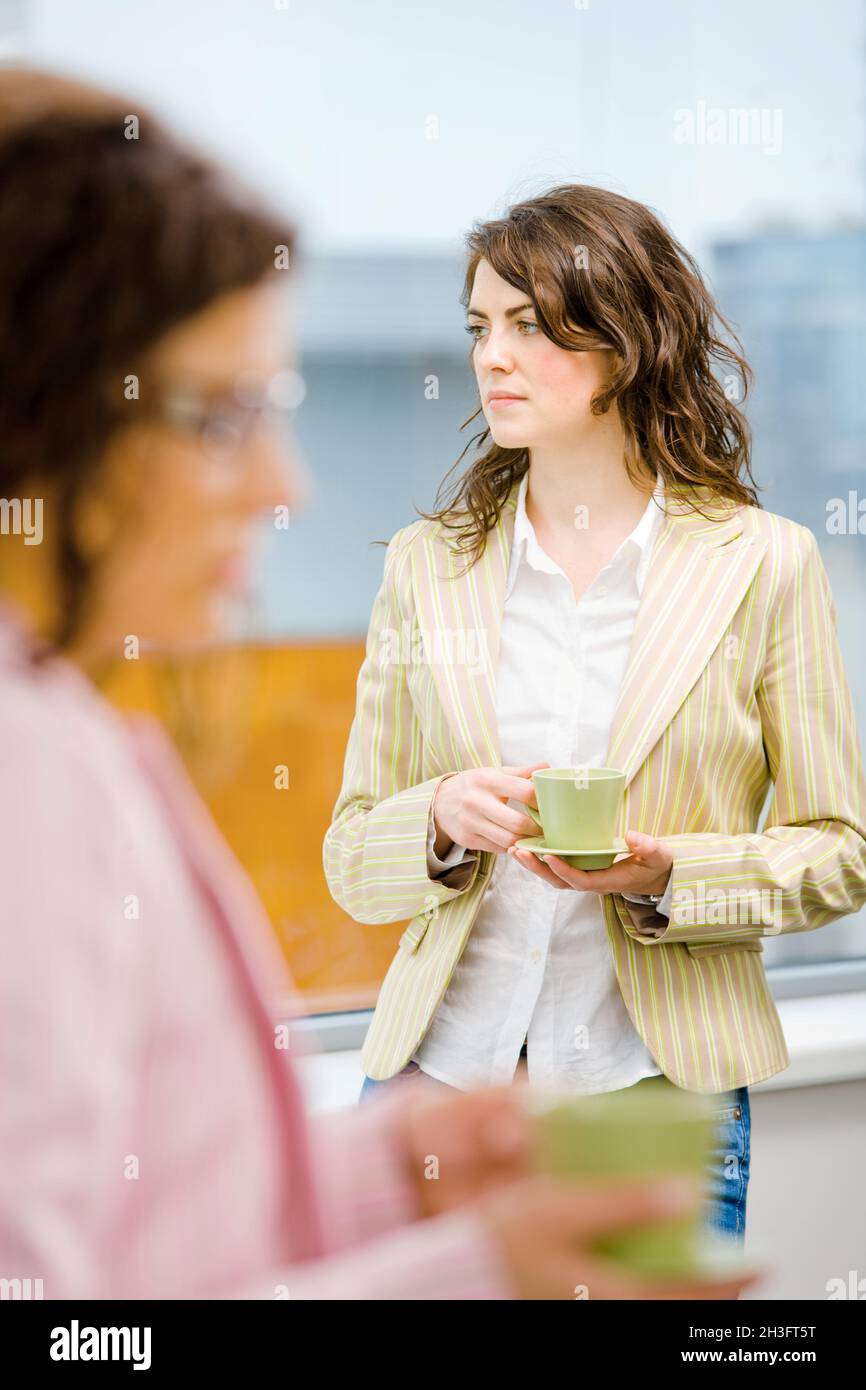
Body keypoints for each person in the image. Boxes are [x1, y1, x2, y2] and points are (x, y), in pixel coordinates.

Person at [0, 67, 757, 1302]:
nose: (286, 483)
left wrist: (382, 1174)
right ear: (37, 422)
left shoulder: (59, 730)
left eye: (531, 325)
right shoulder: (26, 765)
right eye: (223, 415)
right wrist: (470, 1274)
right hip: (441, 1053)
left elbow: (140, 1226)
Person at [324, 183, 866, 1242]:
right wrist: (438, 818)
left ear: (622, 343)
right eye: (480, 327)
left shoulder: (764, 564)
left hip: (657, 1094)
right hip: (437, 1085)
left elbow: (840, 850)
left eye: (529, 325)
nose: (491, 356)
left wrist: (669, 873)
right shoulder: (426, 566)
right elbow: (349, 851)